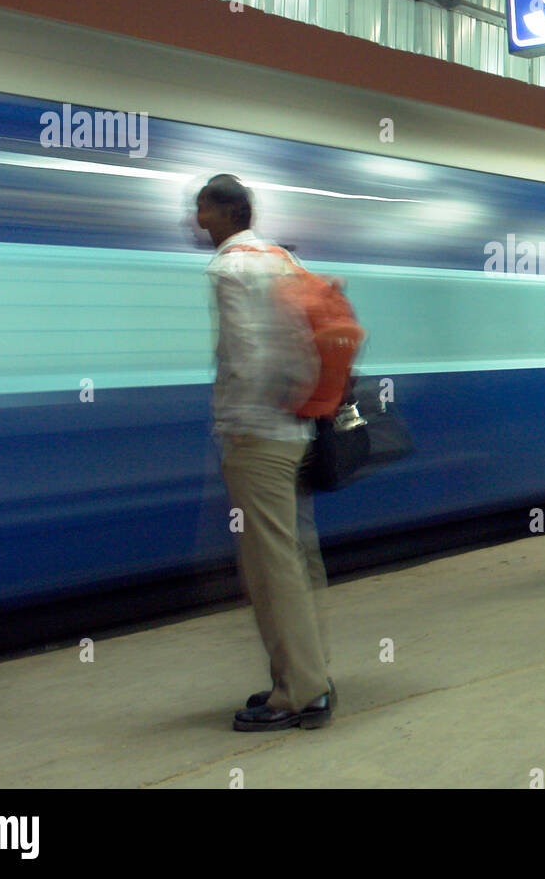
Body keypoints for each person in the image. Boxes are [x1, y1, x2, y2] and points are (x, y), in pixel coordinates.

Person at [196, 174, 336, 732]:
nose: (195, 221)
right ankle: (303, 675)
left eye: (201, 209)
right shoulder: (282, 259)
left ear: (228, 211)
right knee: (297, 558)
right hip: (297, 435)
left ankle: (300, 696)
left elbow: (246, 358)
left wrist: (234, 424)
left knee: (269, 567)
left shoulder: (230, 268)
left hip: (259, 437)